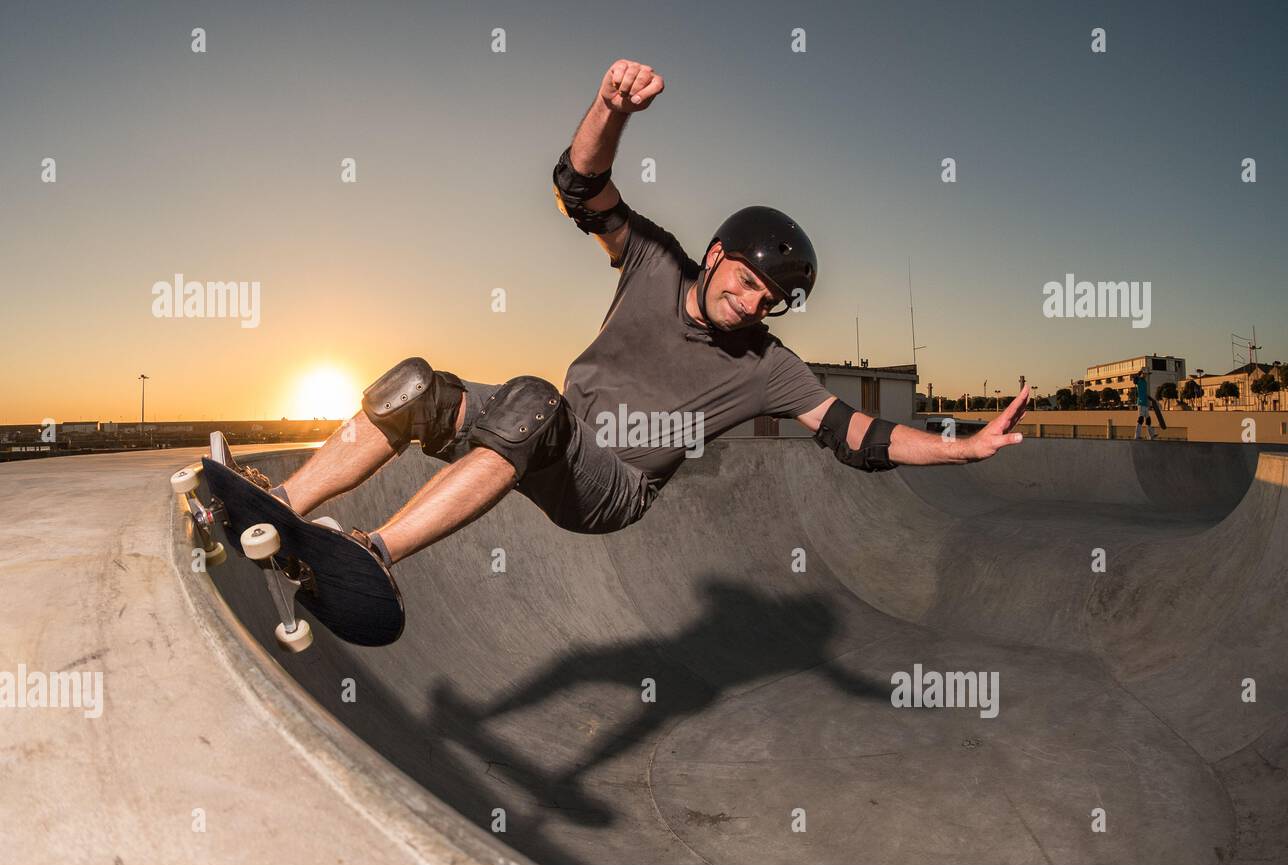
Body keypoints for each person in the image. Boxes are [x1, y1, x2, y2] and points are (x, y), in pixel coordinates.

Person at [266, 60, 1029, 568]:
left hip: (612, 485)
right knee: (415, 387)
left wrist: (956, 448)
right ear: (719, 251)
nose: (752, 302)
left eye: (770, 300)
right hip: (548, 432)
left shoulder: (770, 367)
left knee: (534, 400)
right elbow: (581, 185)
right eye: (749, 281)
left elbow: (853, 435)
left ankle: (372, 555)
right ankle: (278, 507)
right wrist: (609, 108)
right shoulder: (655, 259)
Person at [1133, 369, 1159, 440]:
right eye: (1145, 374)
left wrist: (1151, 399)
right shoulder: (1139, 380)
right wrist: (1139, 375)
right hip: (1141, 402)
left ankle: (1151, 435)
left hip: (1145, 402)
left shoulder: (1145, 382)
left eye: (1146, 374)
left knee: (1148, 419)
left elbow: (1145, 392)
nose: (1146, 375)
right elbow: (1134, 381)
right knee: (1141, 418)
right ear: (1142, 374)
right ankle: (1137, 436)